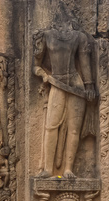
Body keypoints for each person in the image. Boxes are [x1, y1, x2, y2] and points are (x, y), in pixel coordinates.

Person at [33, 10, 97, 179]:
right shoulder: (46, 36)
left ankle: (69, 169)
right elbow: (35, 65)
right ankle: (48, 168)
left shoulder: (79, 37)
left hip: (76, 85)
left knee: (74, 129)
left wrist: (89, 86)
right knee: (51, 126)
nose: (63, 23)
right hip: (57, 83)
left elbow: (84, 63)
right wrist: (44, 75)